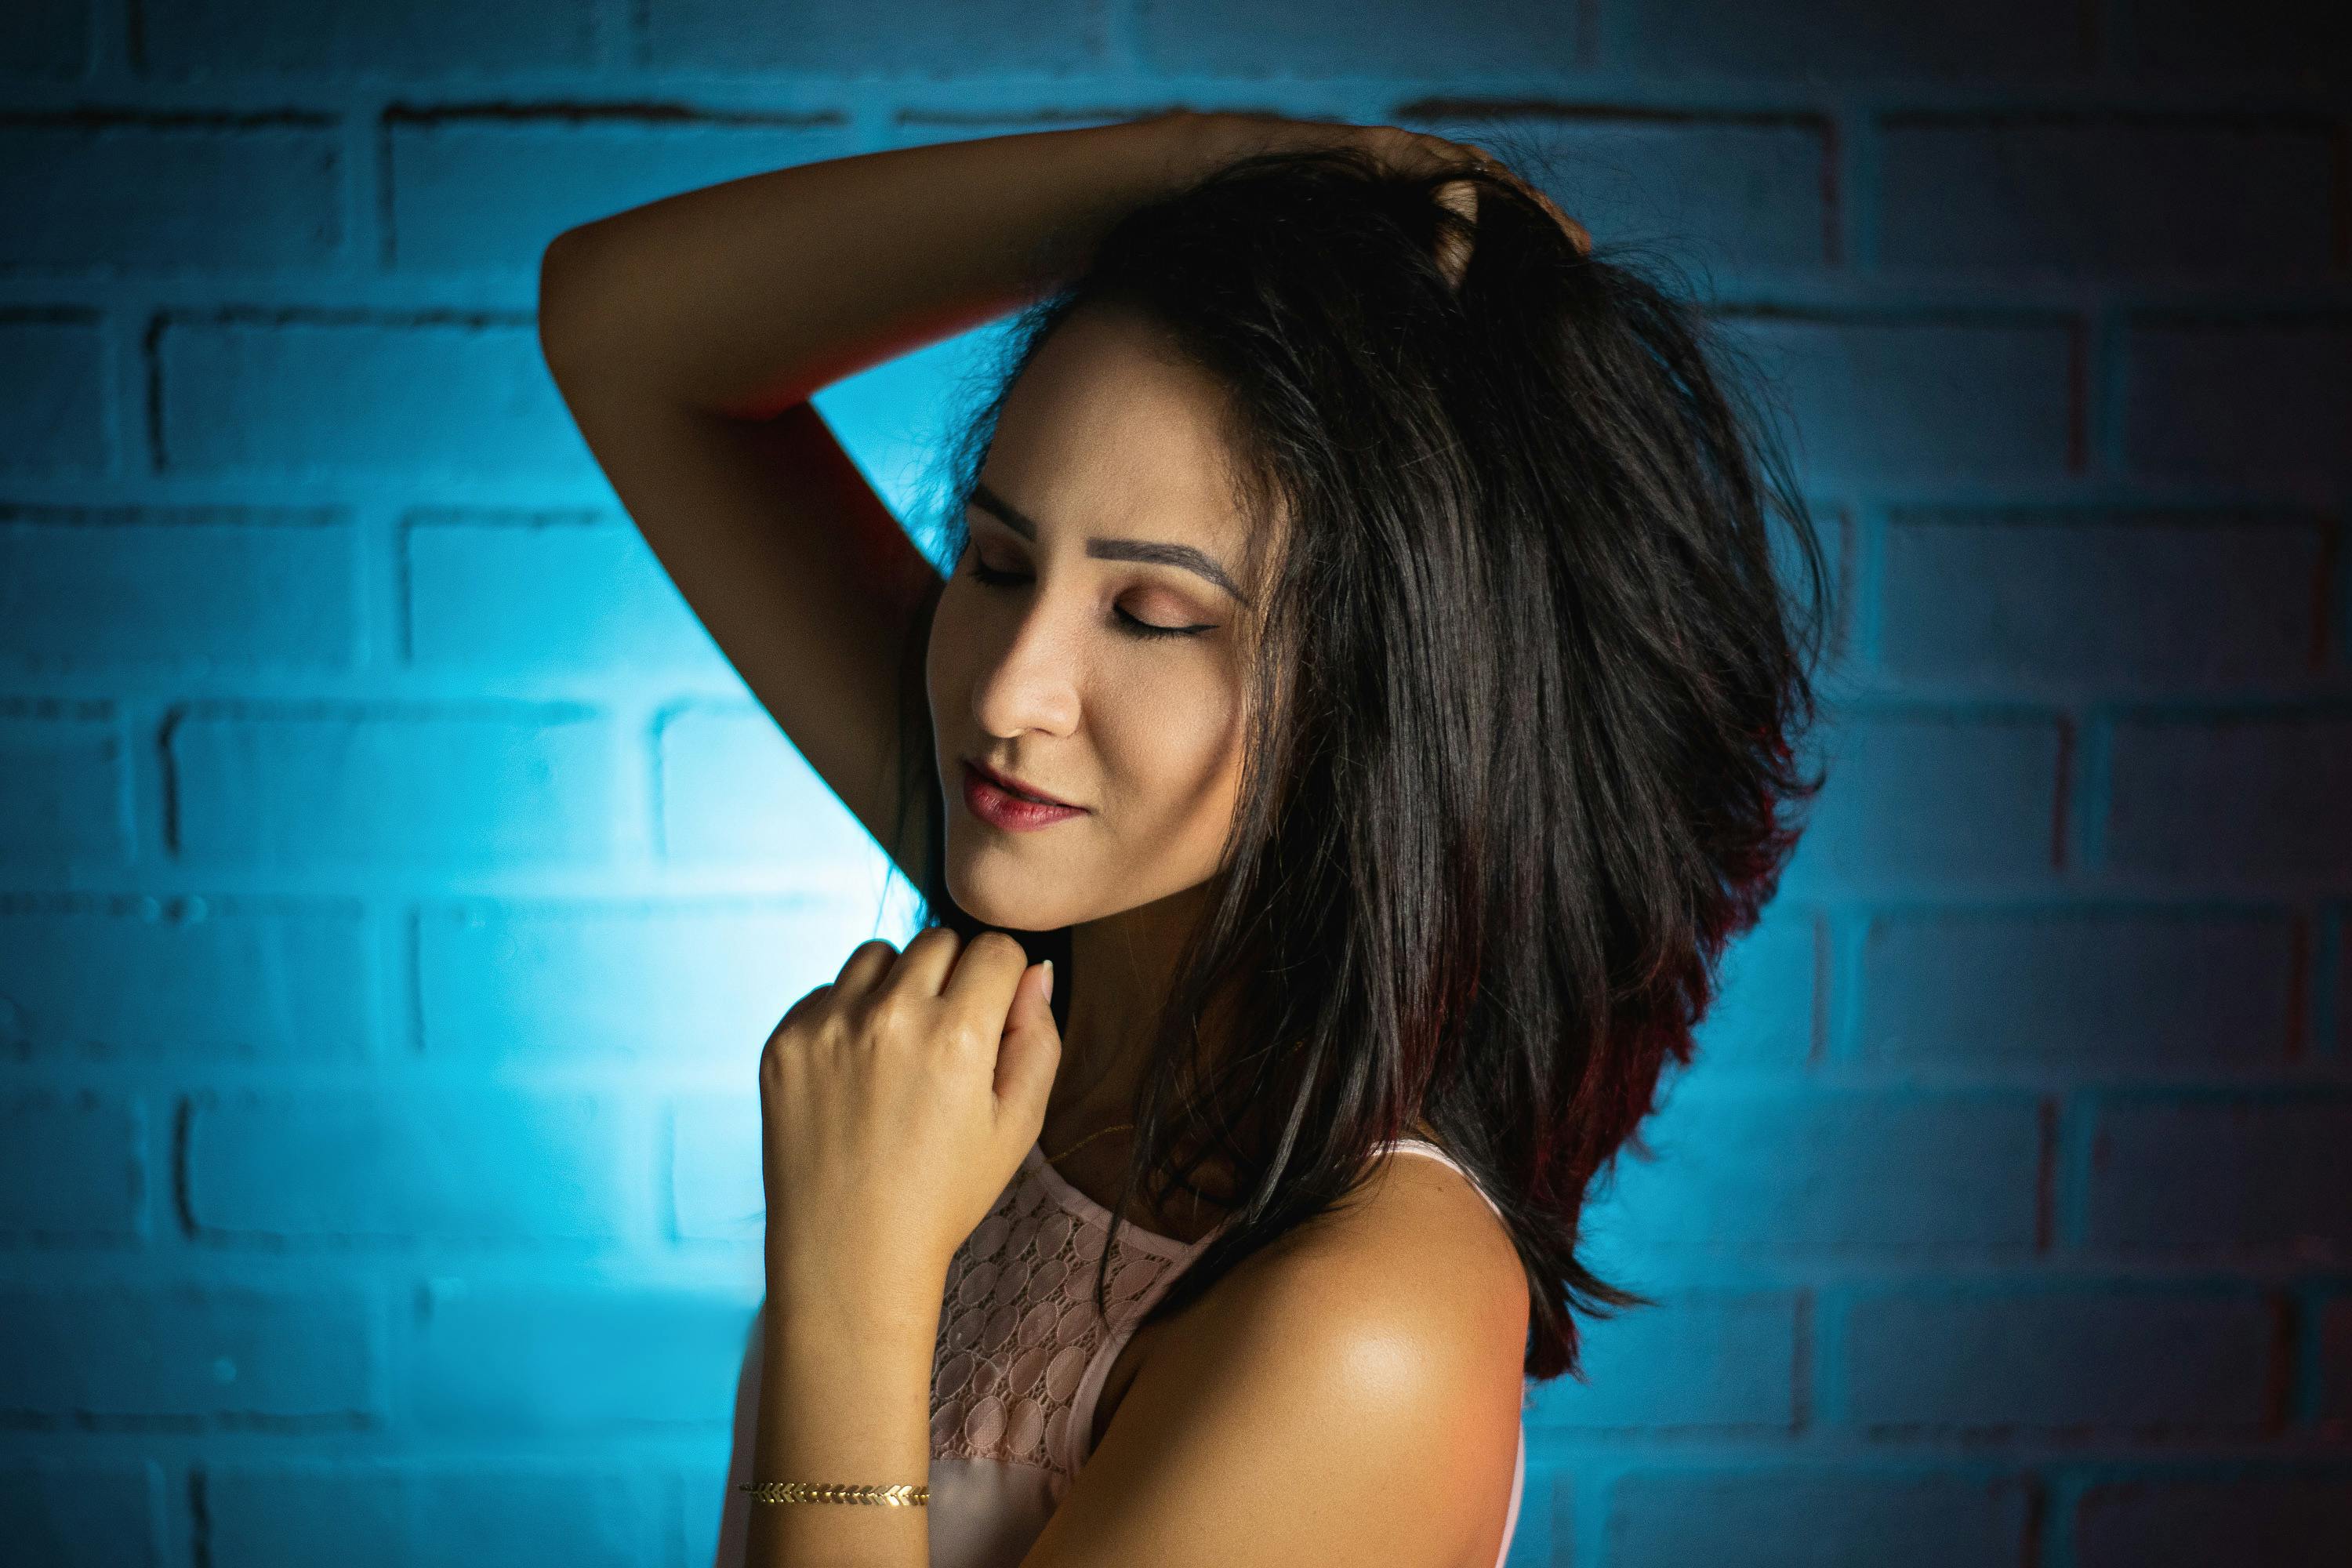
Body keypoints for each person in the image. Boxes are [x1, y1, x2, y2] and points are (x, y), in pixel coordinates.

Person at [537, 108, 1828, 1568]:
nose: (1009, 689)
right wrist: (1230, 175)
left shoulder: (1365, 1319)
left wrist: (855, 1279)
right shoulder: (1045, 891)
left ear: (1372, 692)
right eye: (997, 558)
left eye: (1153, 617)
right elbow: (622, 326)